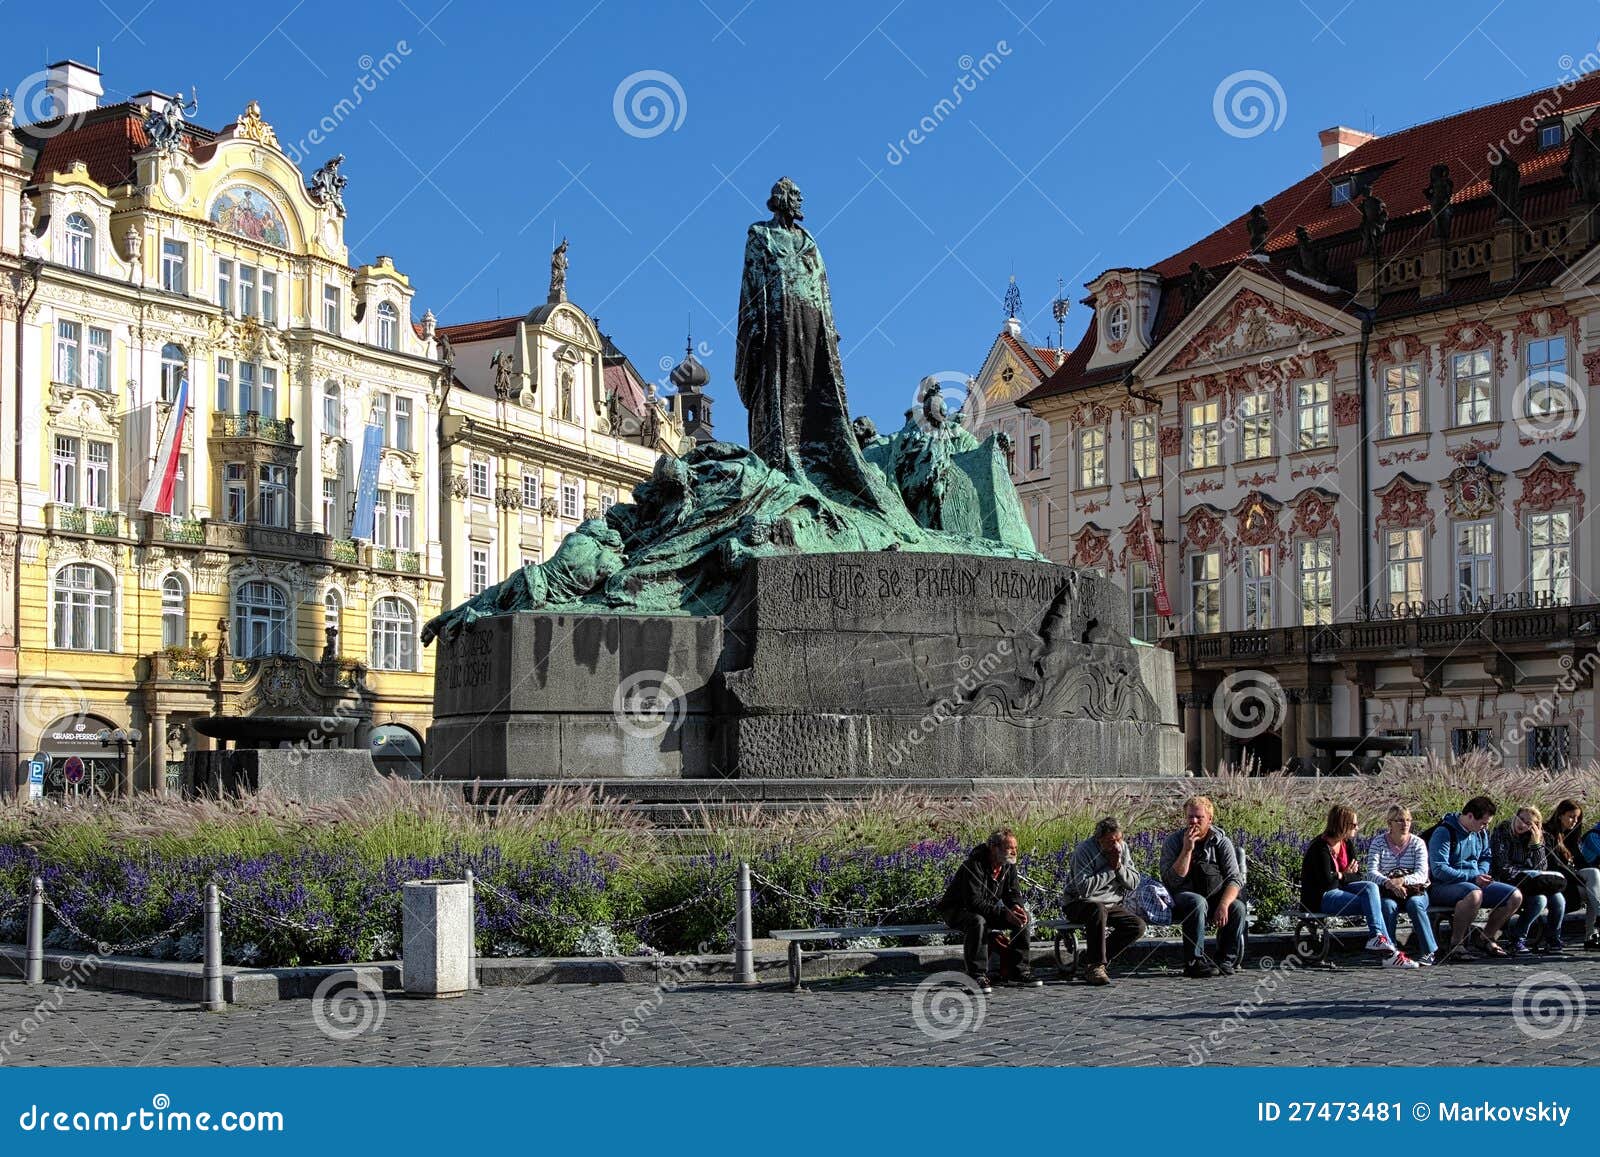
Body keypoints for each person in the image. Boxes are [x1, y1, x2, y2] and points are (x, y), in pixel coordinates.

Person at [1301, 805, 1418, 968]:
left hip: (1339, 889)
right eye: (1353, 825)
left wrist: (1340, 875)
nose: (1357, 828)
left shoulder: (1346, 844)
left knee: (1370, 887)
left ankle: (1377, 938)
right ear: (1342, 824)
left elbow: (1356, 876)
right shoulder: (1319, 848)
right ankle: (1391, 954)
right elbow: (1327, 881)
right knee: (1372, 904)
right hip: (1322, 897)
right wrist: (1343, 875)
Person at [937, 829, 1043, 992]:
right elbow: (973, 903)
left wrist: (1016, 907)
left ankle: (1019, 971)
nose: (1015, 851)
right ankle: (976, 975)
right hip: (957, 910)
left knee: (1023, 917)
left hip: (985, 909)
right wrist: (1004, 914)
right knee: (978, 921)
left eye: (1016, 847)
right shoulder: (973, 865)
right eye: (1010, 848)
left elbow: (1013, 892)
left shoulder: (1008, 866)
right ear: (994, 848)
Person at [1427, 795, 1523, 961]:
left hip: (1474, 882)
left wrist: (1481, 872)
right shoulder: (1444, 832)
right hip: (1444, 886)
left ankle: (1486, 937)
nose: (1485, 827)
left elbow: (1486, 856)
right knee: (1474, 894)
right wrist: (1473, 877)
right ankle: (1456, 944)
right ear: (1470, 816)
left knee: (1514, 896)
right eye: (1483, 823)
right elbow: (1439, 870)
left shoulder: (1481, 833)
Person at [1160, 796, 1246, 977]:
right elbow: (1172, 881)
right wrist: (1187, 849)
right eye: (1190, 817)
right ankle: (1194, 961)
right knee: (1197, 902)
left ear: (1209, 819)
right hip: (1183, 895)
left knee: (1237, 907)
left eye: (1199, 817)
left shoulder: (1221, 842)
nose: (1194, 821)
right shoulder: (1174, 842)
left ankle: (1225, 959)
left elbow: (1234, 879)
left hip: (1214, 893)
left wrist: (1223, 905)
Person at [1065, 816, 1148, 986]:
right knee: (1097, 909)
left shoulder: (1121, 848)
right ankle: (1095, 966)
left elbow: (1133, 882)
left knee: (1137, 926)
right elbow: (1084, 888)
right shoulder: (1084, 851)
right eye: (1111, 841)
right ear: (1099, 839)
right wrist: (1111, 869)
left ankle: (1089, 958)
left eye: (1119, 839)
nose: (1116, 845)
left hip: (1110, 904)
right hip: (1079, 903)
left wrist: (1118, 866)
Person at [1365, 804, 1438, 965]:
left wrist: (1402, 881)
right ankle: (1390, 951)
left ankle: (1428, 951)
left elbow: (1421, 873)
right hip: (1389, 891)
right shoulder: (1379, 843)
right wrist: (1389, 883)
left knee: (1415, 904)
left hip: (1414, 890)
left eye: (1408, 820)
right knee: (1387, 906)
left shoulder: (1417, 843)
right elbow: (1371, 872)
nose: (1404, 824)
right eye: (1399, 820)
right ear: (1389, 823)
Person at [1490, 805, 1569, 954]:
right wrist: (1524, 873)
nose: (1522, 824)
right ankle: (1517, 938)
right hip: (1509, 881)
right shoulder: (1502, 832)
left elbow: (1542, 868)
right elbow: (1502, 865)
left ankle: (1553, 938)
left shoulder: (1537, 837)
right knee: (1540, 900)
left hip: (1530, 882)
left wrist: (1536, 845)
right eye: (1521, 819)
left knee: (1558, 899)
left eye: (1528, 823)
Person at [1545, 800, 1600, 951]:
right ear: (1560, 815)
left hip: (1574, 878)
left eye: (1577, 819)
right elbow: (1552, 865)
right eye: (1571, 817)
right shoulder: (1547, 833)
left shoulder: (1572, 835)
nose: (1574, 822)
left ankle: (1593, 934)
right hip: (1559, 879)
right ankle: (1592, 937)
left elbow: (1581, 862)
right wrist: (1578, 878)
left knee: (1595, 875)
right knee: (1594, 892)